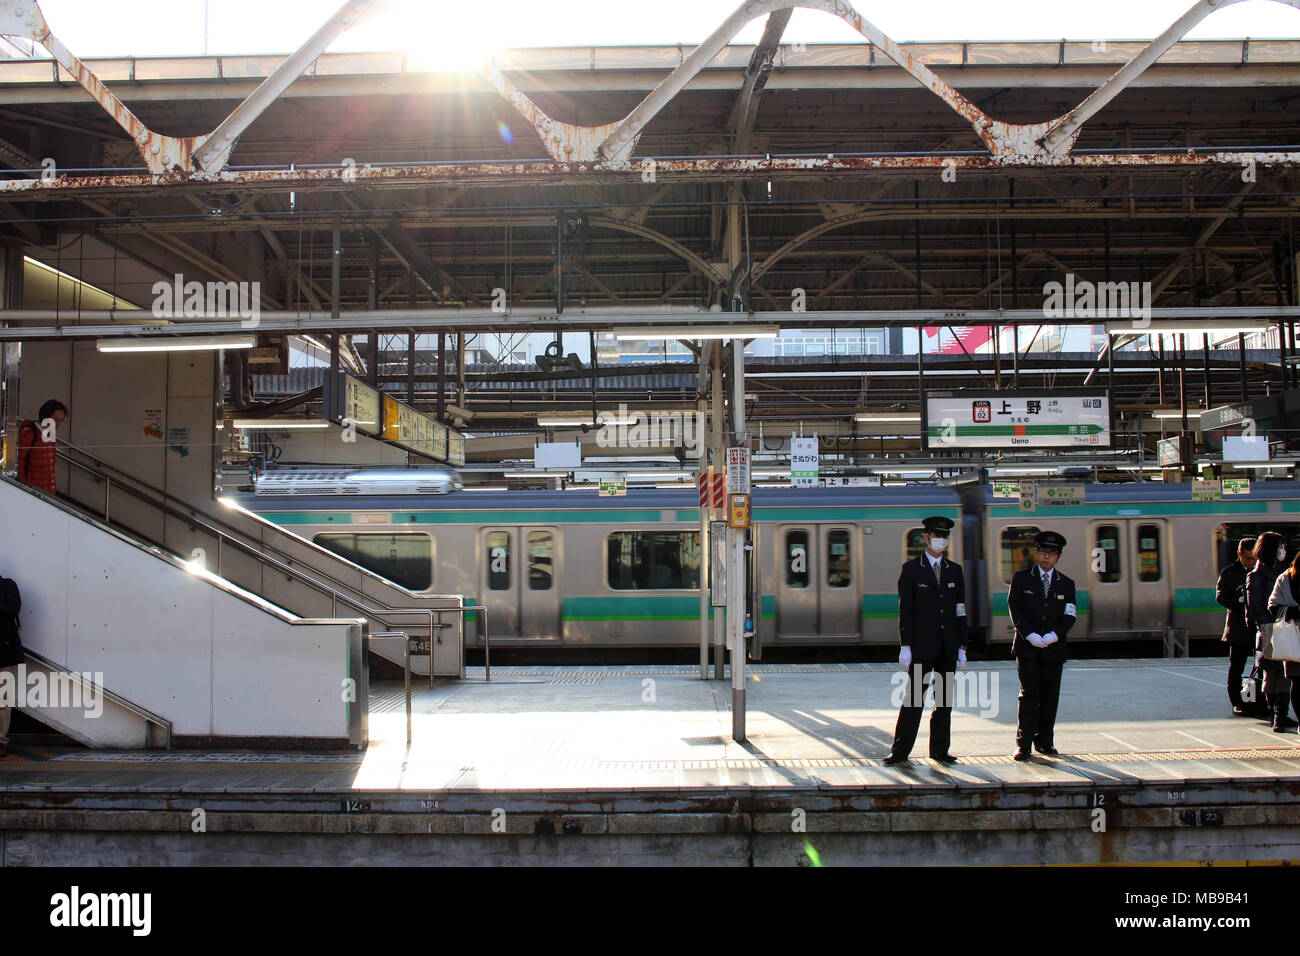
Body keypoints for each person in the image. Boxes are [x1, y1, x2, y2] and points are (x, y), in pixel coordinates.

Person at [884, 515, 967, 765]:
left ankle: (940, 750)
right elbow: (905, 610)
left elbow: (960, 609)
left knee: (943, 702)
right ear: (926, 537)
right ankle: (900, 751)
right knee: (913, 701)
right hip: (921, 647)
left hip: (947, 647)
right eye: (936, 536)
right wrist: (905, 645)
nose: (940, 540)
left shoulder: (955, 570)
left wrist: (962, 646)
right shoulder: (911, 570)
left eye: (944, 537)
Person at [1007, 530, 1077, 761]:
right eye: (1043, 552)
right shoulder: (1021, 578)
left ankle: (1045, 741)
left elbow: (1070, 615)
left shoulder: (1066, 584)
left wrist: (1054, 635)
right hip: (1027, 647)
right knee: (1029, 695)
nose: (1047, 557)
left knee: (1050, 696)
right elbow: (1015, 609)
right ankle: (1023, 744)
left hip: (1054, 648)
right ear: (1037, 553)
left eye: (1052, 553)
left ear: (1058, 557)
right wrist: (1029, 635)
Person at [1245, 531, 1295, 732]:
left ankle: (1277, 715)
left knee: (1272, 675)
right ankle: (1278, 716)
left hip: (1269, 630)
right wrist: (1274, 626)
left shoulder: (1262, 575)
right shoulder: (1260, 577)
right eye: (1280, 547)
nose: (1283, 551)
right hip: (1272, 630)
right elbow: (1255, 608)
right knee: (1277, 675)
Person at [1216, 537, 1257, 716]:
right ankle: (1237, 702)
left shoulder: (1261, 570)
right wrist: (1238, 602)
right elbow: (1220, 596)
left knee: (1260, 667)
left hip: (1258, 627)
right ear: (1239, 554)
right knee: (1236, 668)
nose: (1251, 562)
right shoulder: (1229, 572)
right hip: (1238, 627)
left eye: (1254, 558)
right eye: (1248, 558)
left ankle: (1256, 701)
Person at [1267, 550, 1300, 734]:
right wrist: (1296, 612)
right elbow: (1273, 606)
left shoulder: (1283, 578)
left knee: (1296, 681)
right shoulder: (1285, 579)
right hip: (1292, 637)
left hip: (1292, 637)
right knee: (1296, 680)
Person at [17, 398, 67, 495]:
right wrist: (23, 488)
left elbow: (50, 465)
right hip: (32, 490)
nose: (58, 424)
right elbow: (20, 462)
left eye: (61, 420)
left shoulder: (51, 433)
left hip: (47, 490)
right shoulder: (30, 433)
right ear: (45, 416)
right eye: (55, 419)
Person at [0, 573, 21, 758]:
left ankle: (1, 741)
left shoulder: (7, 585)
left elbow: (12, 608)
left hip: (3, 653)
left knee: (3, 701)